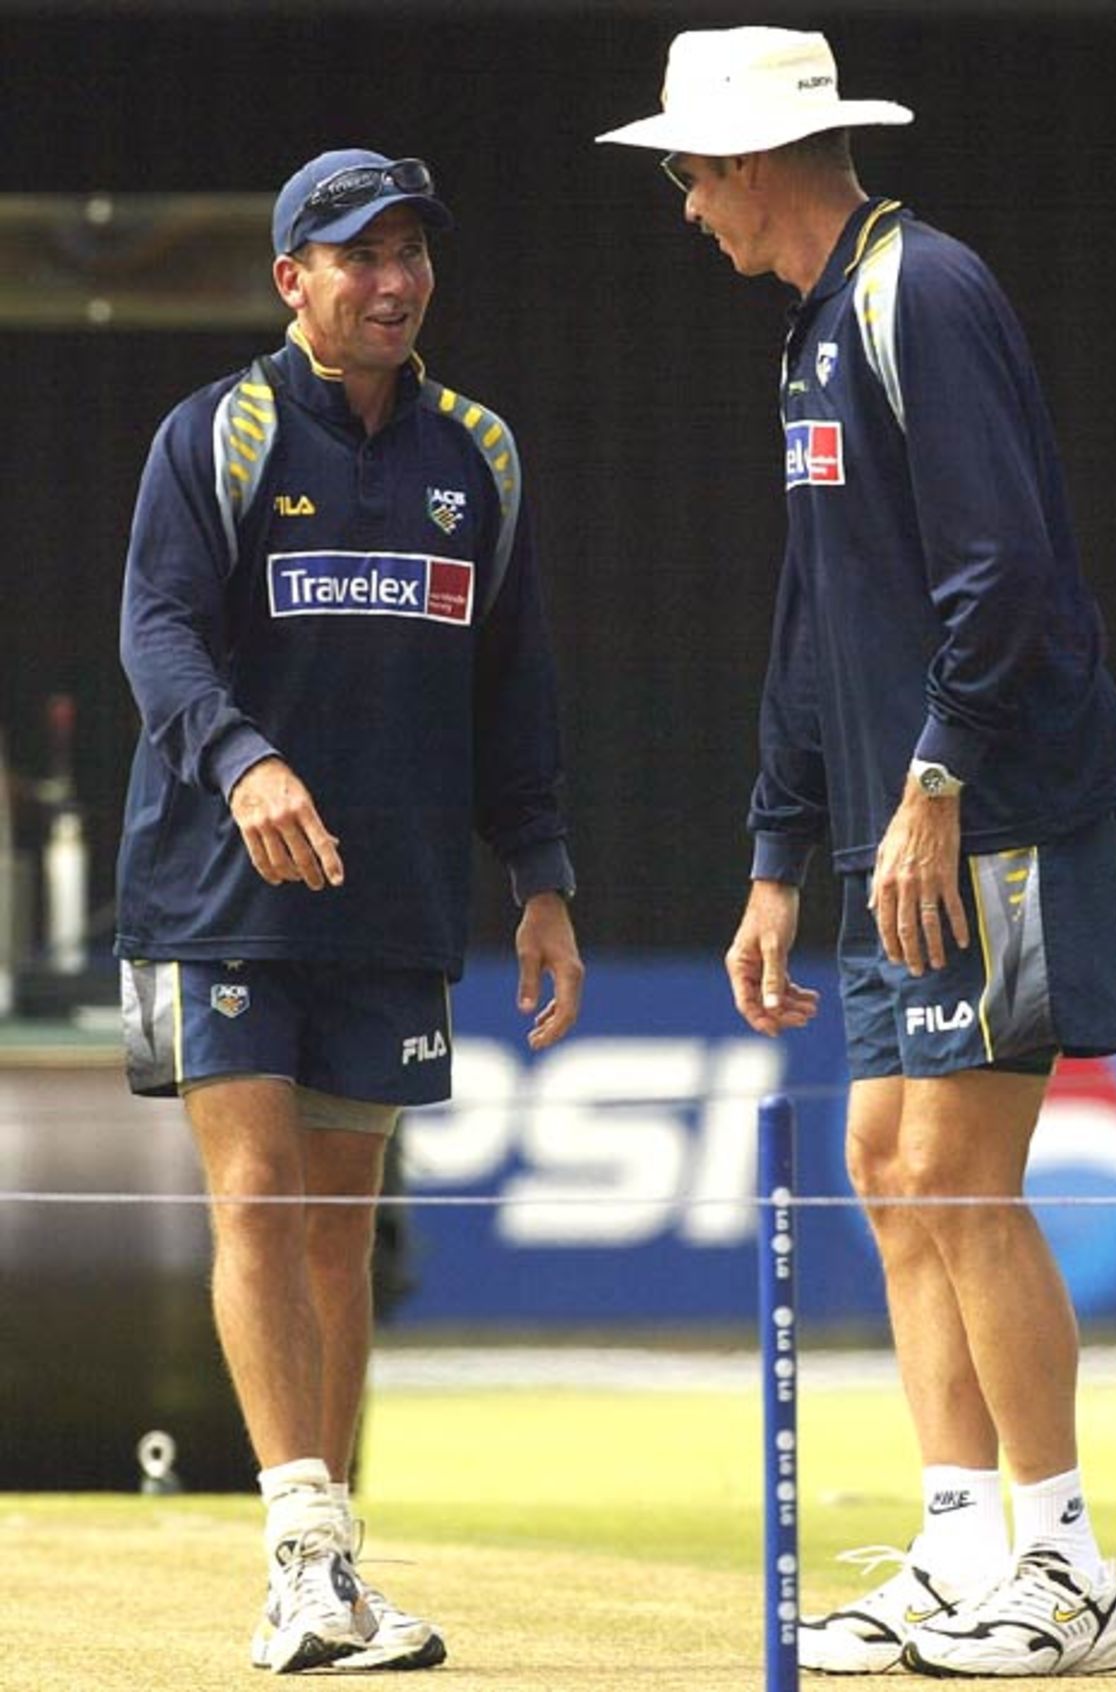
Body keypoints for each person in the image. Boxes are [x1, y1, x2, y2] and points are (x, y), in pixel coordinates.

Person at [599, 28, 1116, 1680]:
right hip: (881, 829)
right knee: (894, 1172)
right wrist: (782, 854)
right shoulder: (812, 332)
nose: (685, 204)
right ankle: (961, 1544)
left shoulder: (927, 294)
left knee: (965, 1177)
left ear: (758, 160)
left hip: (996, 807)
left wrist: (936, 780)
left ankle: (1069, 1573)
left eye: (692, 171)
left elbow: (1010, 570)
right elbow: (812, 616)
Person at [115, 147, 583, 1676]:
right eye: (357, 255)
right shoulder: (220, 436)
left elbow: (514, 689)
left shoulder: (481, 458)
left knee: (336, 1228)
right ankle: (296, 1561)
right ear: (292, 280)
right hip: (214, 891)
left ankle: (338, 1576)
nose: (393, 281)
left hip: (393, 904)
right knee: (255, 1199)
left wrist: (543, 881)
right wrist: (244, 761)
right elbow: (159, 634)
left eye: (411, 254)